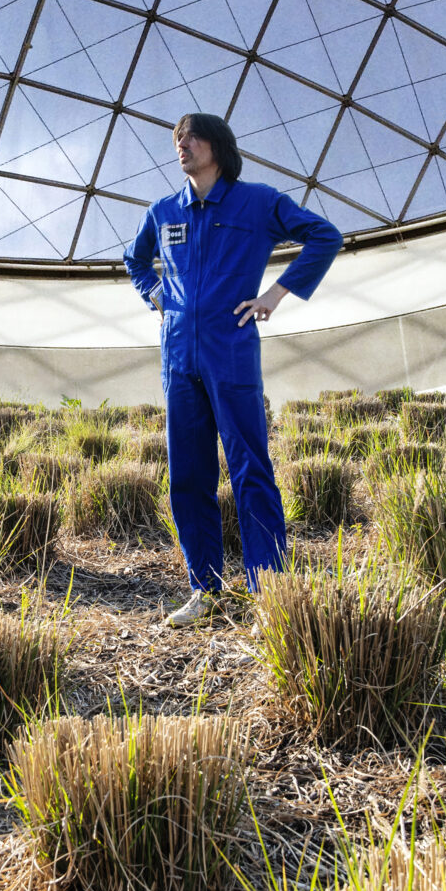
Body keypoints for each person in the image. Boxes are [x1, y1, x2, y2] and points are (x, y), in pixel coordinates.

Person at [124, 114, 342, 627]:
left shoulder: (258, 202)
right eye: (177, 138)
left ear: (218, 146)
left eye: (192, 136)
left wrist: (274, 294)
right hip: (178, 357)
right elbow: (135, 261)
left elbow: (324, 236)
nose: (182, 144)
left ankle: (270, 589)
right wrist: (155, 294)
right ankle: (206, 590)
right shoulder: (163, 211)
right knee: (188, 476)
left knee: (250, 467)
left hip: (232, 349)